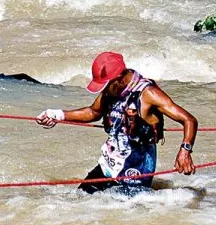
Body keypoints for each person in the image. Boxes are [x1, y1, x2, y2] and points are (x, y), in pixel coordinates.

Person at [36, 52, 198, 193]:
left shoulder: (149, 94)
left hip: (137, 166)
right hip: (109, 163)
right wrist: (57, 114)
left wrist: (185, 151)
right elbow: (93, 112)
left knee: (122, 211)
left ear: (119, 78)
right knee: (80, 199)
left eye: (105, 84)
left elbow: (189, 120)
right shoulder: (112, 89)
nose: (103, 89)